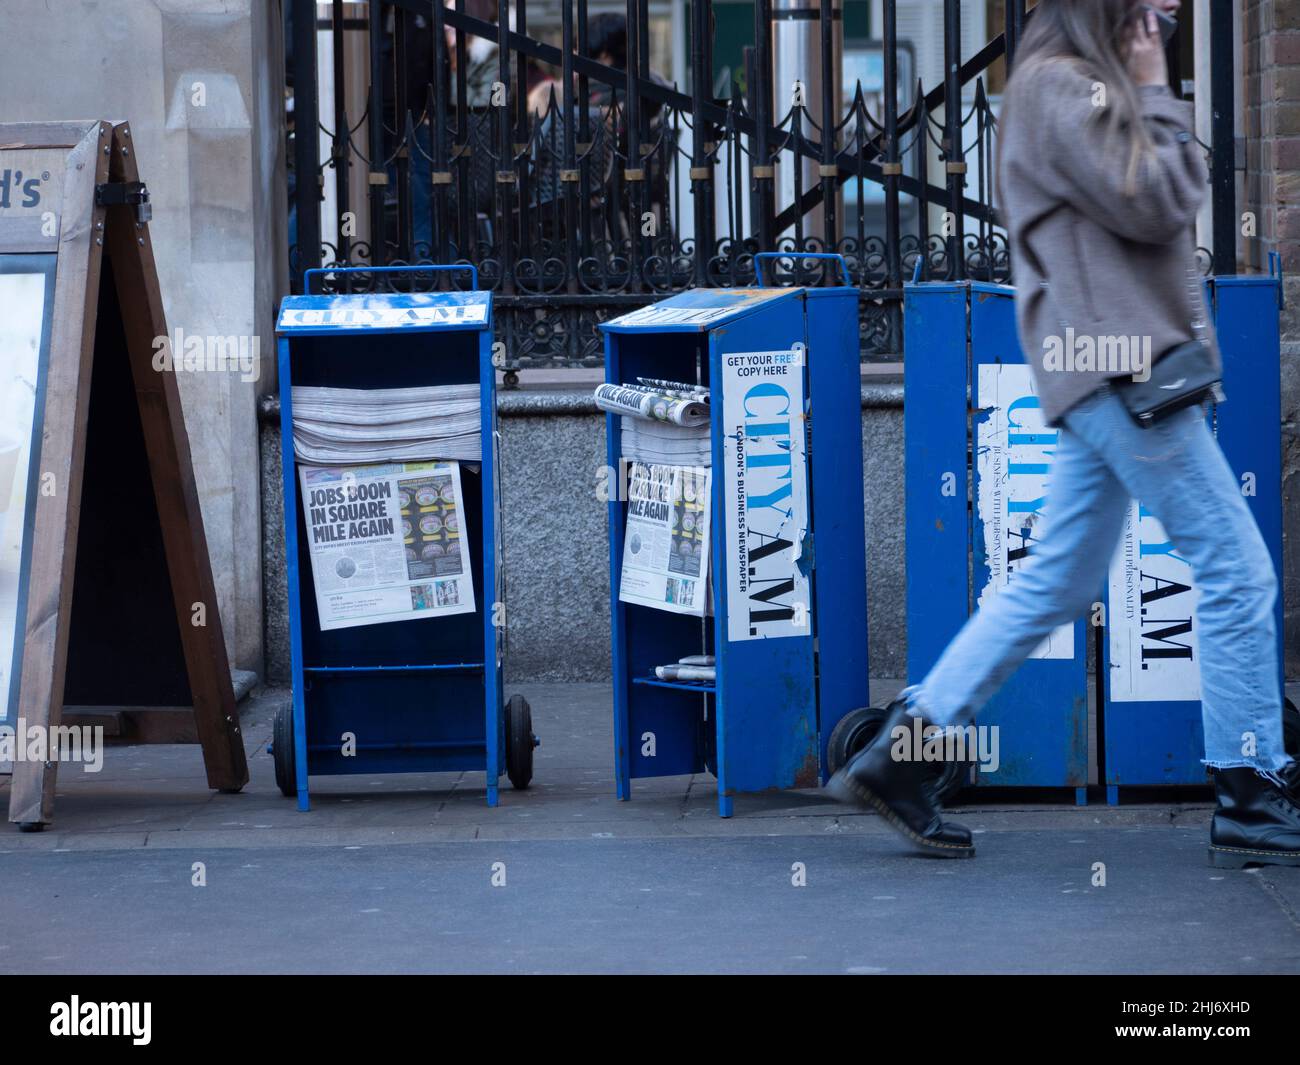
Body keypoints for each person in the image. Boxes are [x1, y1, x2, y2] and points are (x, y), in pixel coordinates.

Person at [828, 0, 1300, 868]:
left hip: (1107, 368)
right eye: (1152, 4)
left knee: (1051, 581)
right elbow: (1159, 199)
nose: (1166, 15)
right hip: (1121, 371)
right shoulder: (1062, 89)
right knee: (1238, 571)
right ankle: (1250, 785)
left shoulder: (1066, 87)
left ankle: (904, 757)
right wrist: (1159, 92)